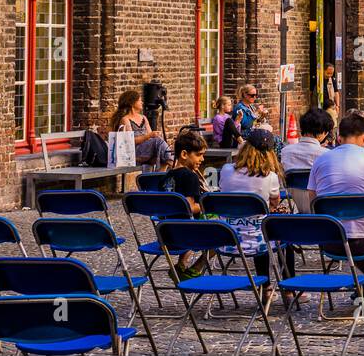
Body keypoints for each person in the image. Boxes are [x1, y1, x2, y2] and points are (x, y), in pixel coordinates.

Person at [307, 112, 364, 297]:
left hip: (330, 242)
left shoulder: (320, 161)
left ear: (339, 138)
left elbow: (314, 204)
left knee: (361, 230)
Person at [218, 130, 283, 273]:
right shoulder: (270, 177)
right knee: (279, 233)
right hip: (257, 241)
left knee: (260, 226)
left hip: (227, 238)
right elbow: (275, 203)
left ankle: (265, 286)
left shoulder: (226, 170)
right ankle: (283, 289)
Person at [164, 129, 210, 278]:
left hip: (167, 234)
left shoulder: (167, 176)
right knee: (224, 235)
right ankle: (196, 269)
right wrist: (207, 205)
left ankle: (181, 265)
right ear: (184, 154)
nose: (202, 159)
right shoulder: (190, 177)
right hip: (187, 236)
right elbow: (190, 207)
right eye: (198, 155)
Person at [109, 89, 172, 170]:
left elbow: (151, 137)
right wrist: (148, 136)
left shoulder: (143, 118)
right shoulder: (125, 119)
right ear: (132, 103)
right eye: (139, 100)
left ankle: (162, 173)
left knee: (159, 143)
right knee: (158, 142)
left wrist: (154, 135)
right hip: (134, 152)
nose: (142, 102)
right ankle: (172, 163)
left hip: (147, 150)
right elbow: (130, 141)